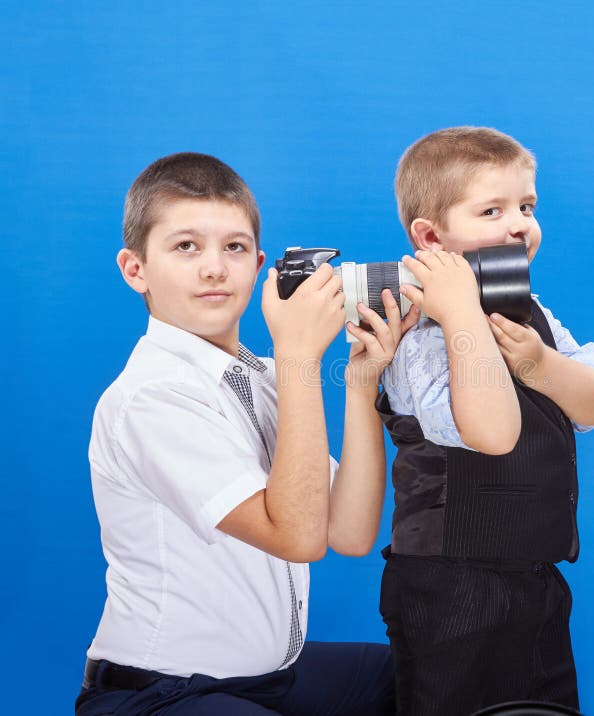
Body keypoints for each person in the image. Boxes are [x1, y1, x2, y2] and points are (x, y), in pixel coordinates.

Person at [77, 152, 417, 715]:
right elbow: (298, 538)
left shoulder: (258, 376)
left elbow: (349, 533)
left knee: (435, 675)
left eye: (233, 247)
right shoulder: (152, 396)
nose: (215, 268)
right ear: (135, 268)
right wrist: (300, 358)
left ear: (259, 264)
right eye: (186, 246)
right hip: (159, 693)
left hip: (269, 680)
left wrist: (361, 384)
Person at [376, 127, 594, 715]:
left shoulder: (531, 313)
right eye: (492, 210)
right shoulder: (422, 338)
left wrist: (539, 363)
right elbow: (487, 431)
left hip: (535, 576)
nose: (519, 224)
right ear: (431, 238)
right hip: (451, 586)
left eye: (527, 207)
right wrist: (460, 313)